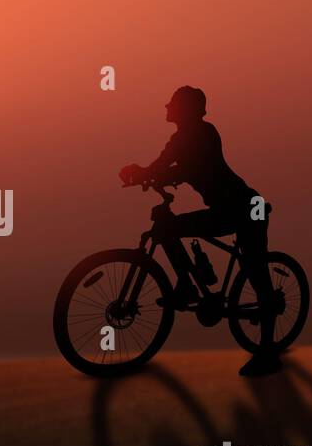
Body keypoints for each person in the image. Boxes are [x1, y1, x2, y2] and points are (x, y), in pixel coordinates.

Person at [119, 86, 280, 377]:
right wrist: (142, 172)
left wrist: (149, 174)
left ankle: (267, 351)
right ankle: (187, 284)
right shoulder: (181, 137)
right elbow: (163, 164)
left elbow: (187, 167)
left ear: (185, 110)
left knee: (257, 273)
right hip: (227, 210)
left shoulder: (203, 134)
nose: (166, 108)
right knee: (167, 228)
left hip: (245, 209)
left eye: (172, 105)